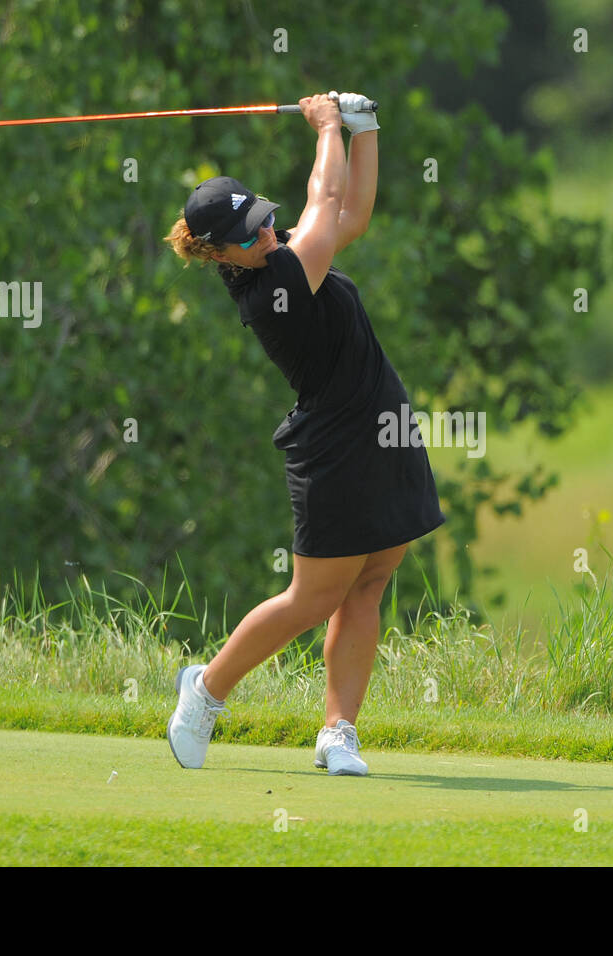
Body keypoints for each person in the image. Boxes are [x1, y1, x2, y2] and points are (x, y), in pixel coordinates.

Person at [161, 92, 444, 775]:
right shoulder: (274, 288)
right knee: (312, 597)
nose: (267, 234)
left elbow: (352, 214)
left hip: (383, 424)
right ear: (220, 252)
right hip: (334, 445)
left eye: (265, 221)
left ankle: (338, 731)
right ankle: (203, 694)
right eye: (251, 235)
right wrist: (326, 127)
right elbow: (324, 199)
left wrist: (365, 128)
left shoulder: (277, 253)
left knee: (372, 578)